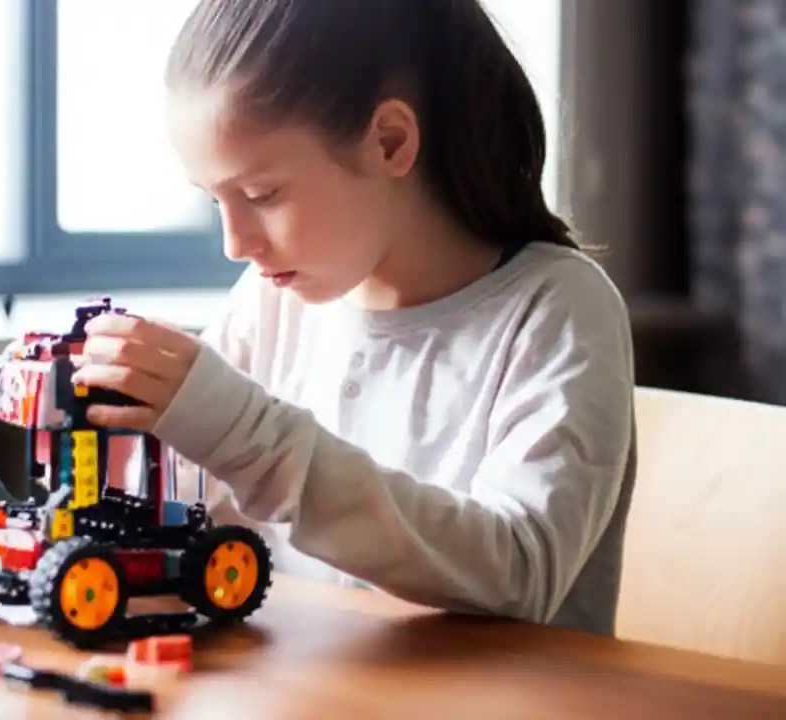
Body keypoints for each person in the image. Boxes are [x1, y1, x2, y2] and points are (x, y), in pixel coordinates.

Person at [70, 0, 636, 637]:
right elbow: (203, 510)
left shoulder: (556, 309)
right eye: (215, 201)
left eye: (262, 194)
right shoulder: (272, 298)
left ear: (389, 141)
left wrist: (244, 435)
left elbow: (522, 575)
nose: (235, 244)